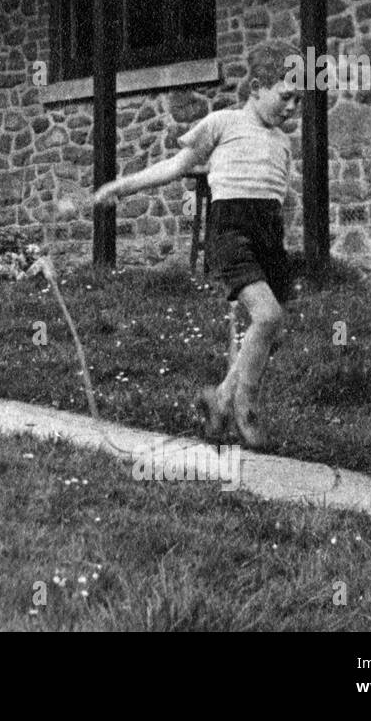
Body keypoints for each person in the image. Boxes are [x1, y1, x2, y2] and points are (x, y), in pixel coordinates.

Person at [92, 40, 302, 447]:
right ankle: (246, 406)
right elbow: (177, 167)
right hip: (231, 230)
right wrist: (123, 185)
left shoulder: (283, 142)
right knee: (267, 317)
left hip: (268, 234)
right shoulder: (222, 123)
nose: (293, 107)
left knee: (273, 333)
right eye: (287, 96)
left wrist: (279, 240)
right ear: (257, 86)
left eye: (298, 99)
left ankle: (219, 397)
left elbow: (281, 194)